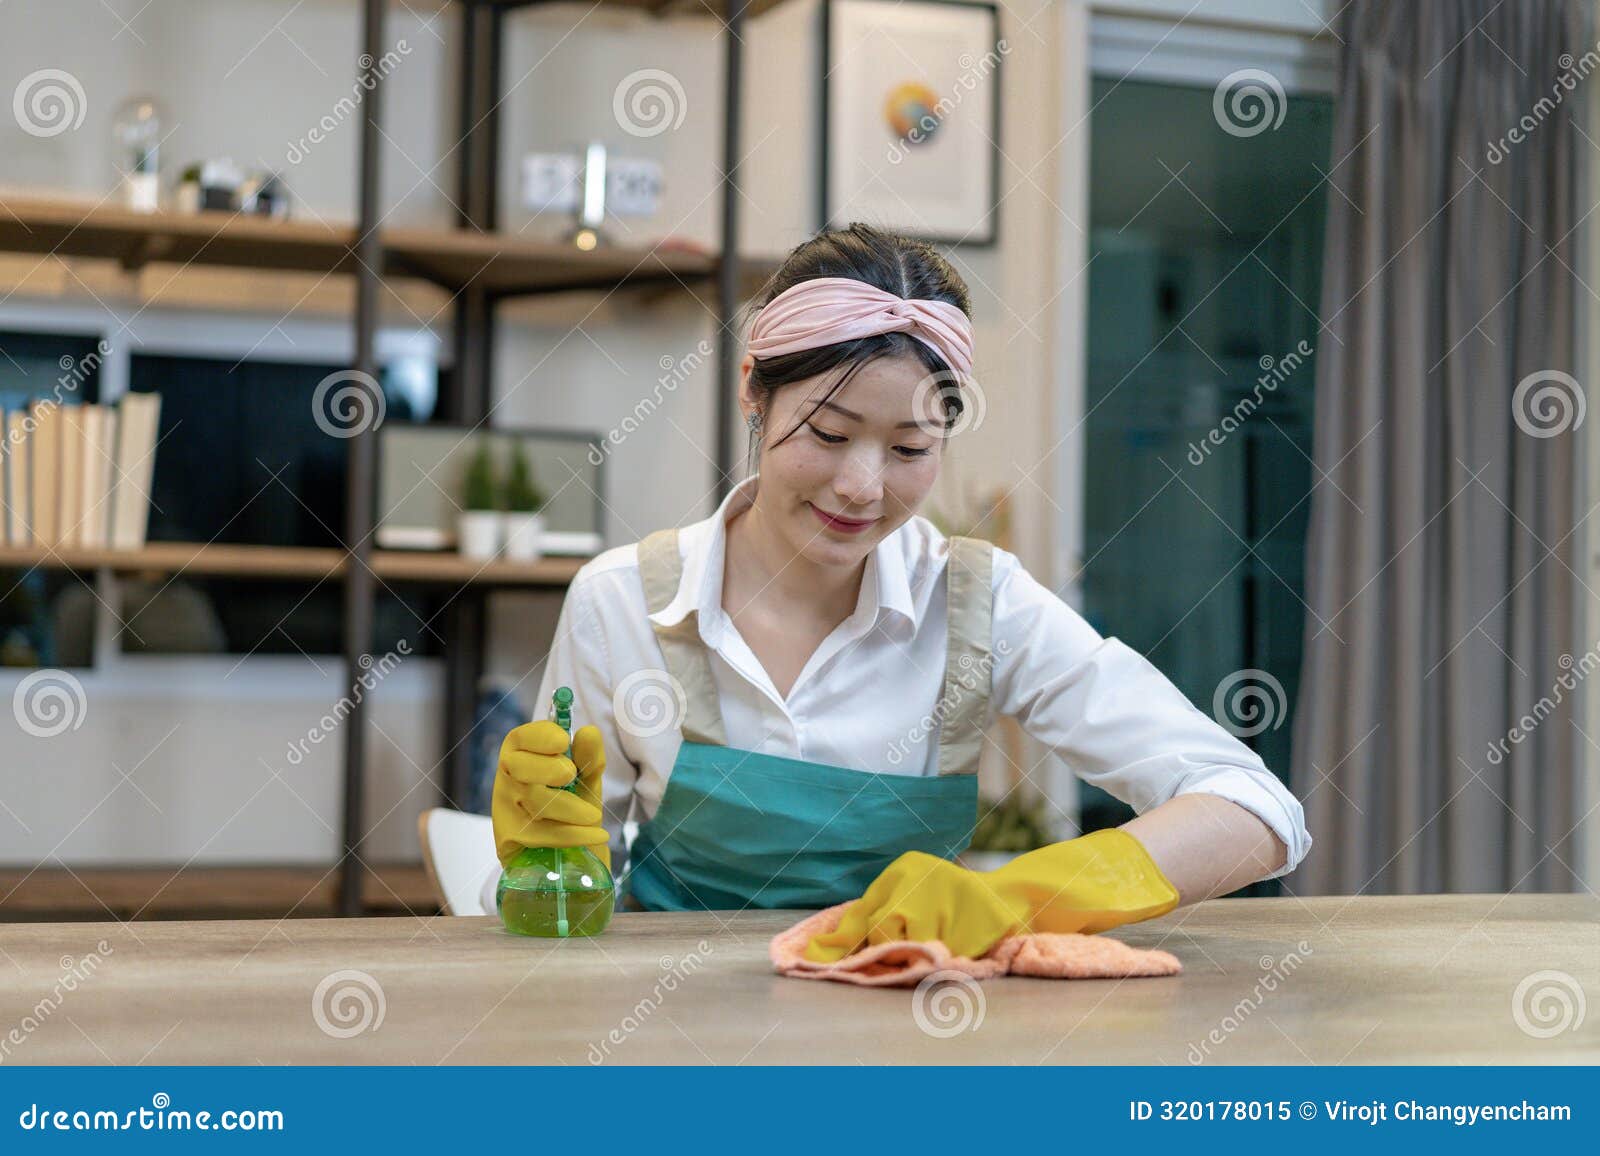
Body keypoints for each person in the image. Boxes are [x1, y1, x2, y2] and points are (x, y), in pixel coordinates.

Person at [490, 222, 1311, 961]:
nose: (861, 486)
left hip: (909, 1018)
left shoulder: (980, 606)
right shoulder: (620, 604)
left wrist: (1017, 897)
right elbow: (563, 906)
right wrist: (548, 860)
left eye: (910, 449)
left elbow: (1255, 809)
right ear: (753, 390)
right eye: (828, 432)